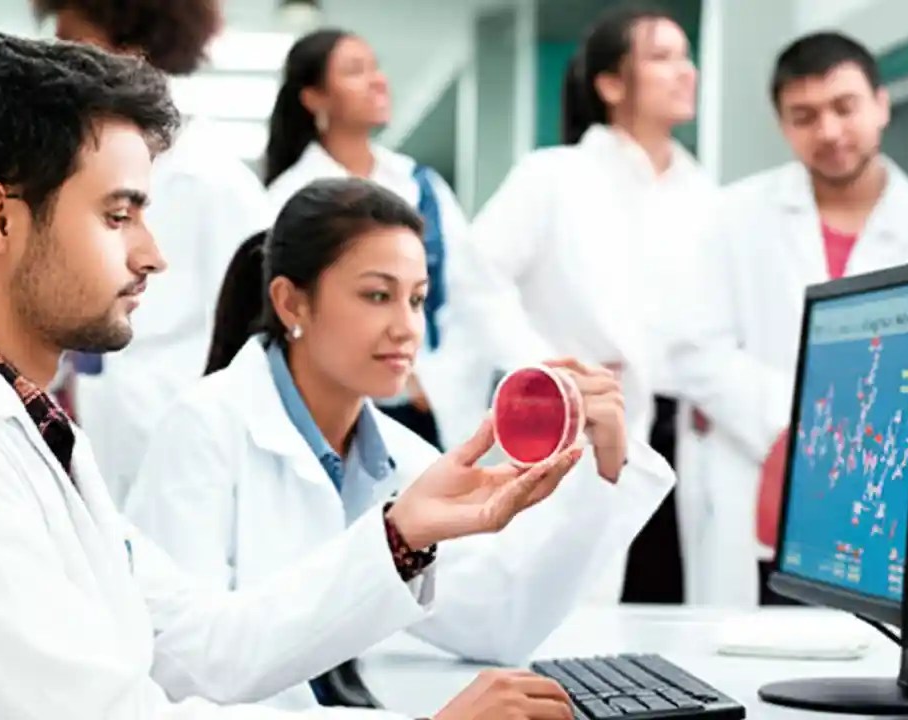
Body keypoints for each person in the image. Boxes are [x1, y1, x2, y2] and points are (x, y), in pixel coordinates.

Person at [0, 31, 589, 720]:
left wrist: (404, 534)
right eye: (118, 214)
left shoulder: (19, 432)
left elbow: (209, 645)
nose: (153, 253)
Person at [123, 176, 676, 711]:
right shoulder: (204, 428)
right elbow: (188, 669)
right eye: (377, 295)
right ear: (292, 304)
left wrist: (604, 467)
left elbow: (494, 620)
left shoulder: (392, 454)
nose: (407, 327)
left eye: (417, 300)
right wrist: (395, 540)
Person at [440, 4, 716, 603]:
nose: (685, 71)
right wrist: (550, 377)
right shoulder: (554, 176)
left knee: (672, 617)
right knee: (579, 613)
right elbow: (474, 275)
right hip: (582, 431)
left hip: (684, 441)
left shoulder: (703, 195)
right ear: (612, 83)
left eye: (685, 56)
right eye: (662, 57)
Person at [670, 31, 908, 608]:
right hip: (756, 472)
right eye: (805, 116)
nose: (831, 132)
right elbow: (693, 349)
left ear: (881, 104)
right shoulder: (732, 216)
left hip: (881, 492)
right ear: (783, 125)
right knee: (745, 655)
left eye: (845, 107)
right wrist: (804, 421)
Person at [34, 0, 271, 507]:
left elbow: (249, 342)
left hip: (170, 444)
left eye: (74, 45)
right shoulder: (72, 165)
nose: (57, 62)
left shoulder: (217, 183)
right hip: (85, 427)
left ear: (133, 48)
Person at [261, 28, 481, 451]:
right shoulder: (286, 199)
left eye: (376, 67)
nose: (378, 80)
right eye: (355, 71)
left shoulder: (421, 186)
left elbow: (470, 294)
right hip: (323, 409)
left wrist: (434, 380)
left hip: (422, 407)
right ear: (314, 98)